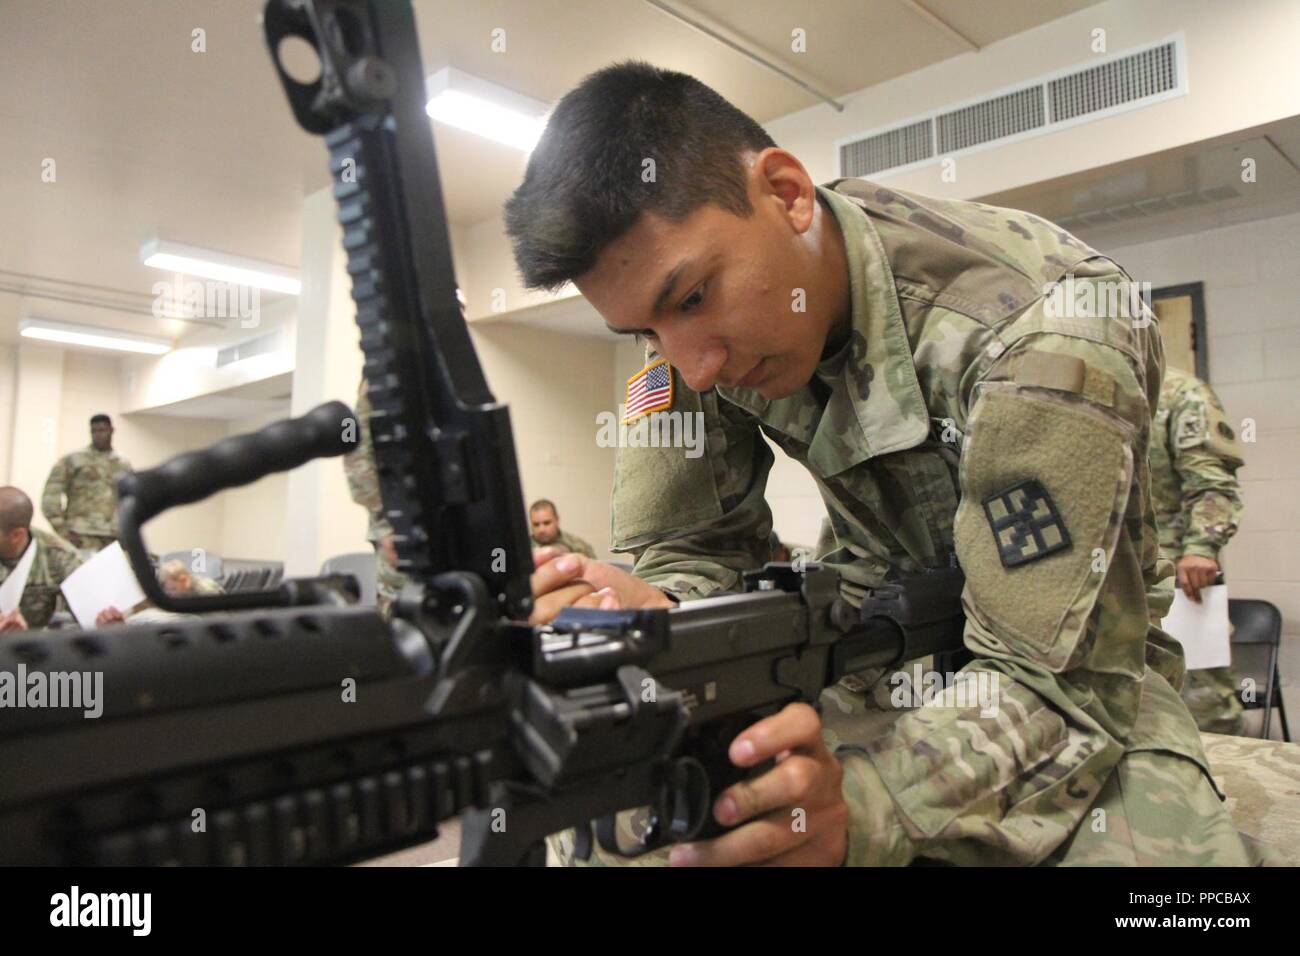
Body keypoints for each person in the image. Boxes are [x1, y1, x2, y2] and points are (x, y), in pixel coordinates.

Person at [504, 62, 1251, 865]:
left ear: (787, 193)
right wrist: (662, 612)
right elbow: (690, 549)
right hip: (863, 646)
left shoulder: (1043, 329)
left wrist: (863, 811)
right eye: (644, 334)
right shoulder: (690, 347)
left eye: (690, 299)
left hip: (1071, 674)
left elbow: (1058, 681)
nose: (692, 368)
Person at [1151, 364, 1247, 734]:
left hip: (1181, 576)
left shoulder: (1181, 394)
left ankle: (1228, 786)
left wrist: (1202, 548)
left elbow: (1213, 483)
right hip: (1111, 578)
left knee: (1204, 706)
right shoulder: (1094, 390)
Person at [343, 379, 407, 619]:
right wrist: (389, 528)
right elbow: (357, 462)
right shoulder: (377, 384)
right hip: (398, 533)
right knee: (403, 622)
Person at [41, 413, 132, 551]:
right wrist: (63, 531)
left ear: (111, 430)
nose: (98, 435)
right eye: (94, 431)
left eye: (102, 430)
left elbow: (129, 499)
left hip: (113, 536)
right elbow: (50, 497)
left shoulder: (123, 464)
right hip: (81, 535)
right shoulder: (73, 460)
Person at [0, 486, 83, 632]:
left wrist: (32, 636)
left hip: (31, 648)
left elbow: (87, 619)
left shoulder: (60, 556)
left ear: (17, 535)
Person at [528, 499, 596, 558]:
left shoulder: (578, 546)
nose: (541, 529)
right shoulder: (523, 550)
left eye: (546, 523)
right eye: (536, 524)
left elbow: (594, 570)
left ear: (557, 521)